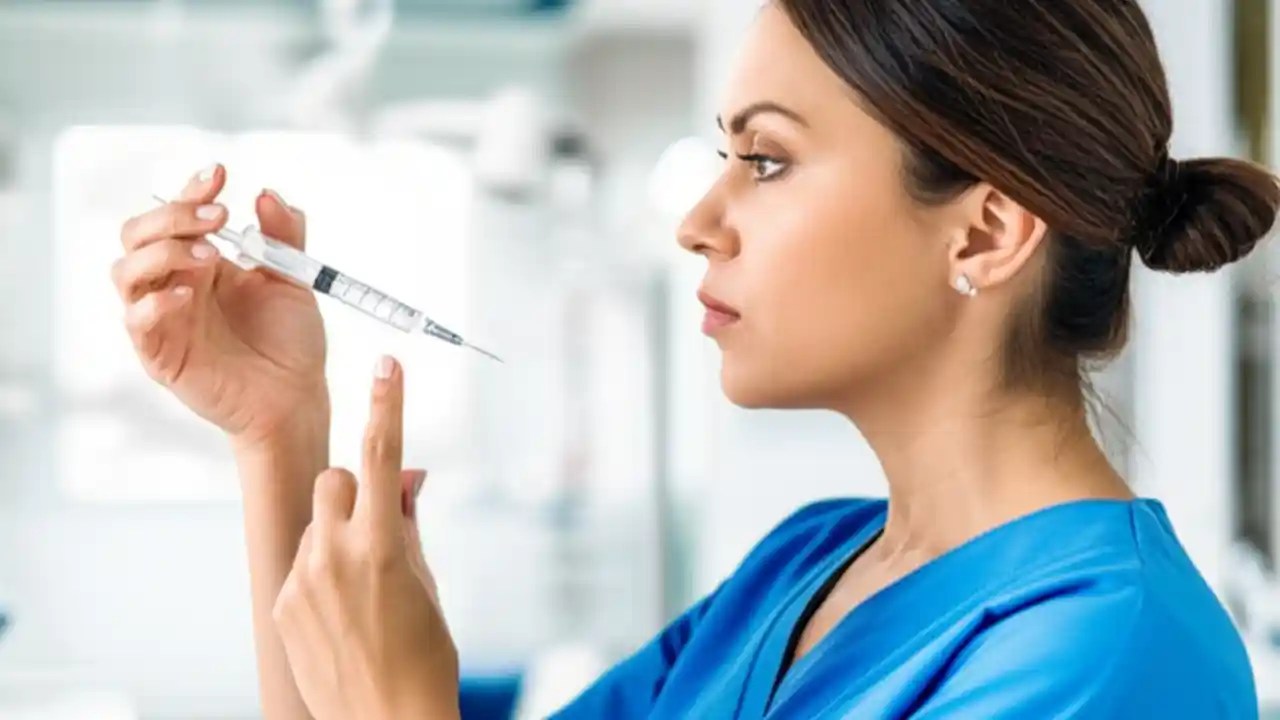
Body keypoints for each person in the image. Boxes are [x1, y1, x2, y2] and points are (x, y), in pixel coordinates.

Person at [112, 0, 1280, 717]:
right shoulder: (801, 571)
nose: (697, 219)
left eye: (764, 161)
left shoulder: (1104, 657)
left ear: (981, 230)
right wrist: (277, 437)